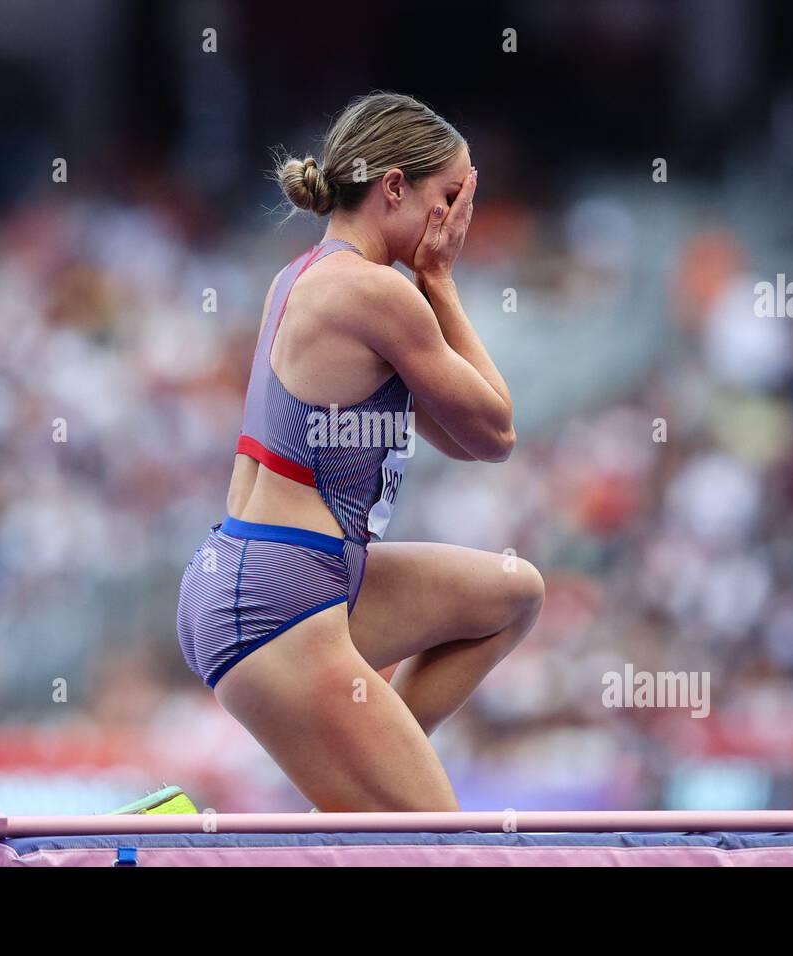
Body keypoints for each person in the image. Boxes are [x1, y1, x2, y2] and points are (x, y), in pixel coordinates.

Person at [175, 92, 544, 812]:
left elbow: (464, 435)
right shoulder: (380, 294)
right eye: (451, 197)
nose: (459, 222)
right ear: (394, 188)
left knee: (512, 592)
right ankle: (369, 796)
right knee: (440, 846)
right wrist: (439, 281)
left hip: (277, 577)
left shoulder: (301, 277)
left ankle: (368, 771)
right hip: (278, 595)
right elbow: (498, 432)